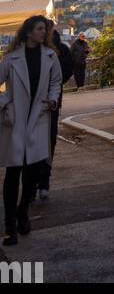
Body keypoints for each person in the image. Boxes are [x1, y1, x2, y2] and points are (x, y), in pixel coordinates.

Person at [0, 15, 62, 246]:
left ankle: (22, 212)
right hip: (15, 121)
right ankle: (9, 227)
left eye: (44, 29)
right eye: (39, 29)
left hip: (38, 119)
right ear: (28, 33)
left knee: (33, 174)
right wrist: (6, 102)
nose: (43, 32)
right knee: (13, 173)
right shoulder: (12, 58)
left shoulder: (50, 57)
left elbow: (56, 82)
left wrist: (53, 100)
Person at [35, 25, 73, 202]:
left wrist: (52, 89)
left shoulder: (60, 50)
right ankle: (38, 181)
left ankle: (42, 181)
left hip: (51, 102)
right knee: (40, 141)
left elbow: (64, 74)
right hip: (45, 102)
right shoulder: (37, 49)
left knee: (47, 140)